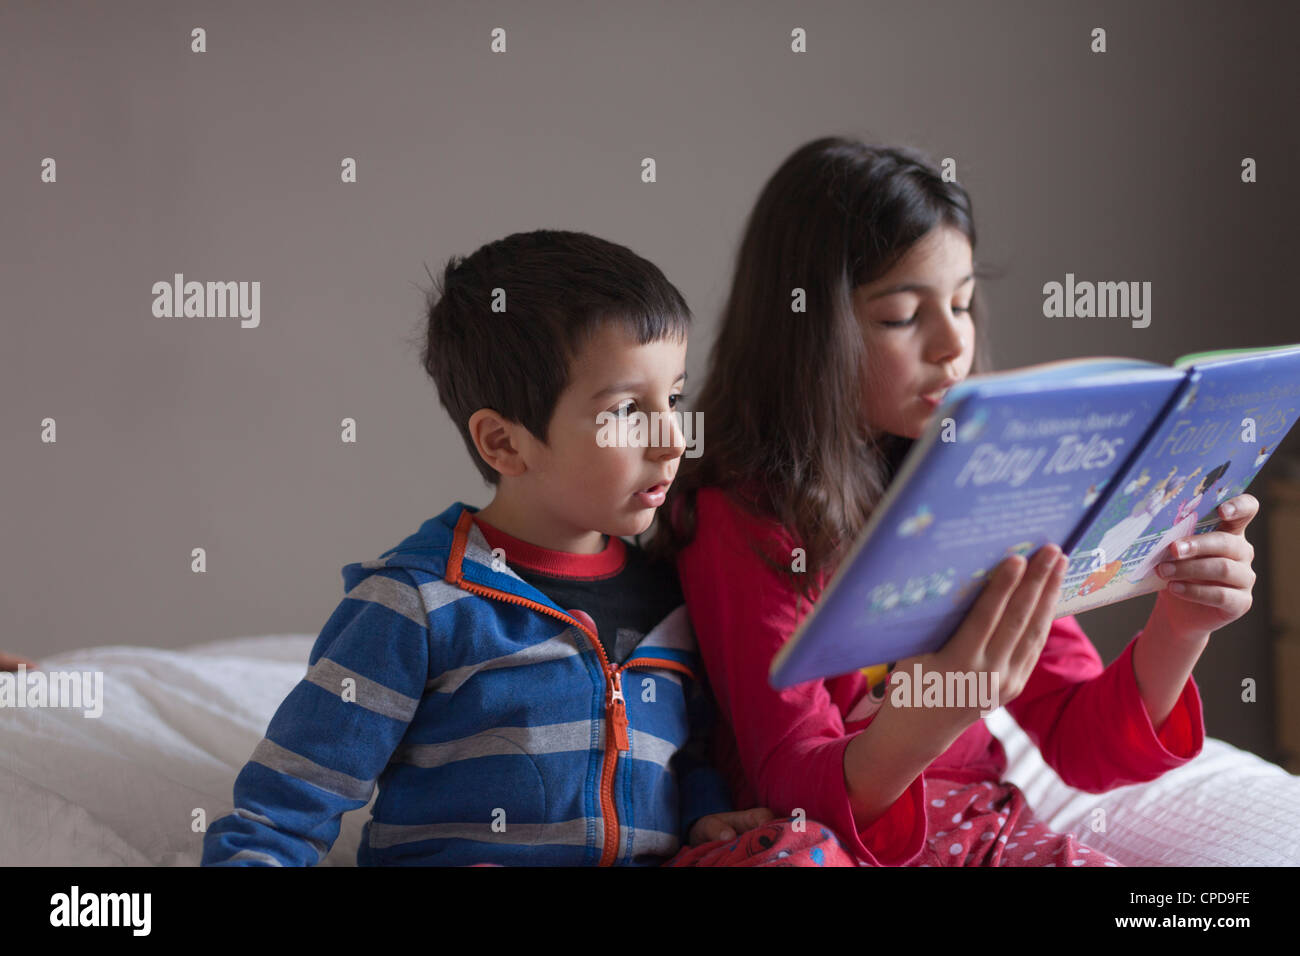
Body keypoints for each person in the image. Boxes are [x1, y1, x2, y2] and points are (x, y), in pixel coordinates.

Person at [651, 138, 1260, 867]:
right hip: (833, 838)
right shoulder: (743, 517)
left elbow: (1080, 741)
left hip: (976, 827)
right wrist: (932, 714)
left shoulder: (992, 486)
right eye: (902, 316)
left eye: (964, 303)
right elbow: (791, 776)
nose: (953, 344)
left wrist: (1180, 629)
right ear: (806, 331)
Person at [202, 229, 847, 866]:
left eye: (673, 398)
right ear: (505, 444)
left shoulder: (668, 595)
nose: (673, 440)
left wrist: (703, 815)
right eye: (627, 410)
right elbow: (288, 801)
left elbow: (695, 749)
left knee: (804, 851)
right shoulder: (416, 604)